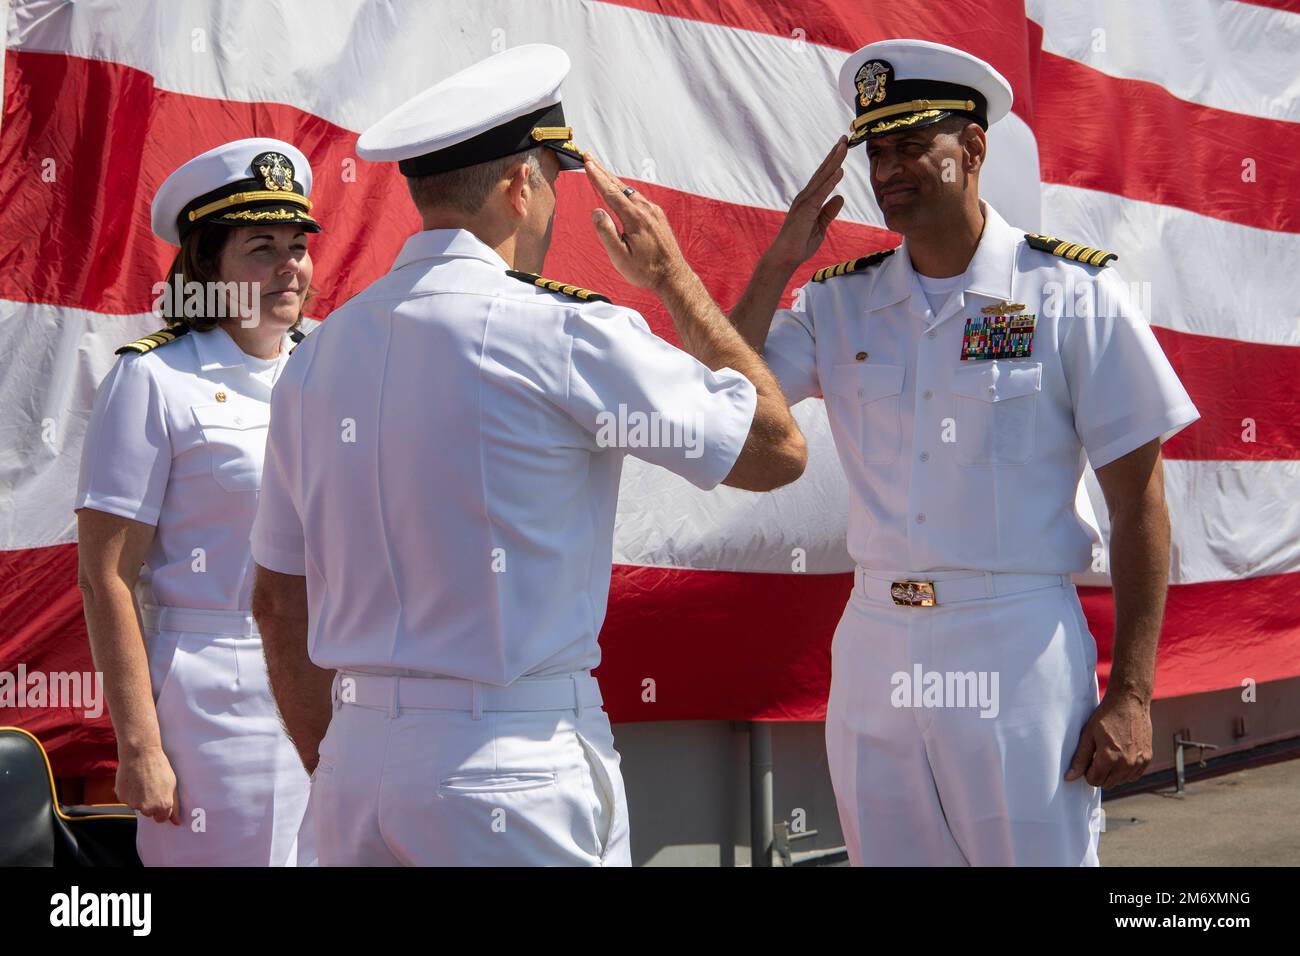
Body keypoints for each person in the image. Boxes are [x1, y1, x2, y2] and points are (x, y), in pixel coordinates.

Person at [249, 43, 805, 866]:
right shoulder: (562, 331)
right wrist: (674, 280)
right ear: (520, 186)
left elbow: (277, 602)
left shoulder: (316, 357)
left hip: (353, 773)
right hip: (510, 768)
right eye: (551, 180)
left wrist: (359, 763)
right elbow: (775, 450)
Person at [729, 38, 1200, 865]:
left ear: (973, 150)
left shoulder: (1069, 293)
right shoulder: (842, 305)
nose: (890, 170)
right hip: (875, 642)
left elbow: (1140, 502)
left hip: (1014, 646)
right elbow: (725, 395)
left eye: (913, 145)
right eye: (877, 151)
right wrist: (780, 258)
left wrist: (1131, 691)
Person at [74, 138, 322, 866]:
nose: (289, 264)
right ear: (207, 264)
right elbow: (107, 576)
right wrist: (140, 746)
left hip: (339, 685)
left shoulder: (328, 365)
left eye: (298, 243)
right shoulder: (154, 378)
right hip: (217, 700)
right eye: (261, 246)